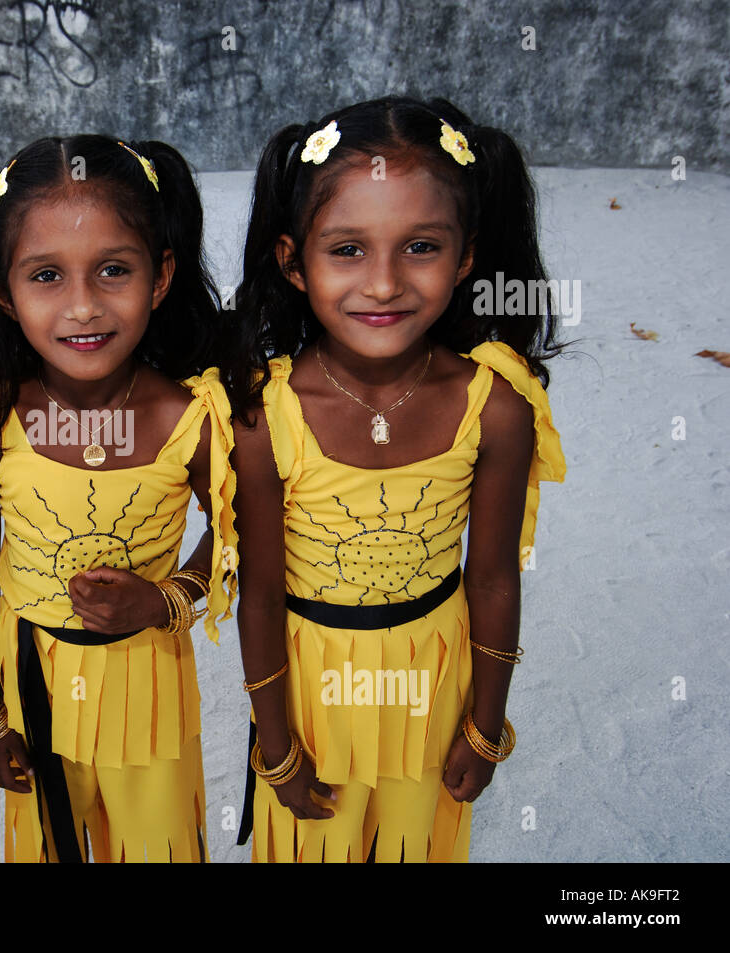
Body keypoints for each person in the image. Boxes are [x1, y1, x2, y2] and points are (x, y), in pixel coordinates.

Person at [222, 97, 567, 862]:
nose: (382, 284)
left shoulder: (495, 408)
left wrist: (485, 724)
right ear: (292, 259)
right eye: (347, 249)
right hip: (313, 689)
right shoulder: (263, 416)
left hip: (432, 684)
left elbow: (494, 578)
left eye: (419, 246)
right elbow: (263, 592)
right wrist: (274, 743)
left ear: (467, 256)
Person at [0, 135, 237, 862]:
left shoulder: (192, 416)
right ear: (4, 293)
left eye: (113, 269)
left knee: (159, 846)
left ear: (161, 277)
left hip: (150, 690)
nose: (83, 306)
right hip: (29, 680)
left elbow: (245, 531)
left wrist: (169, 598)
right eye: (46, 275)